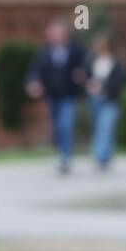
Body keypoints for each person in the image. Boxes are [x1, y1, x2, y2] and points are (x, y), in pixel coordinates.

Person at [25, 18, 87, 175]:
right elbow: (35, 71)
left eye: (57, 32)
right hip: (52, 96)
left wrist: (82, 75)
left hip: (68, 95)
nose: (54, 36)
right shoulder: (45, 52)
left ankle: (65, 155)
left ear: (65, 34)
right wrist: (34, 83)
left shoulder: (75, 50)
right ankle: (62, 153)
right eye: (51, 33)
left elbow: (85, 67)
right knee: (56, 127)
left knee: (66, 125)